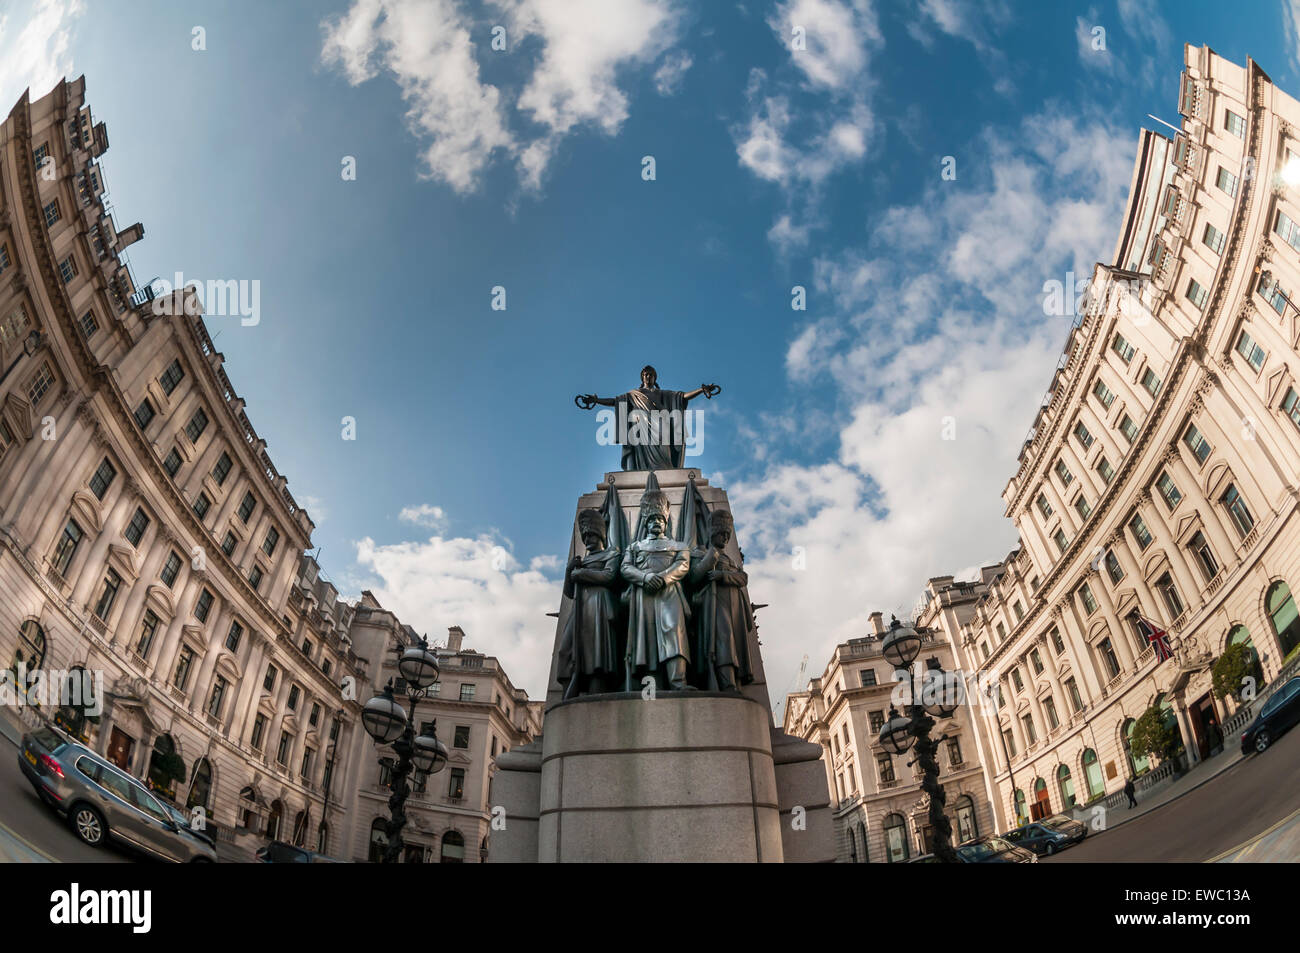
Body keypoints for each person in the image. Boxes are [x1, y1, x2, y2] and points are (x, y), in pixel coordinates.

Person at [621, 487, 692, 690]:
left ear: (666, 522)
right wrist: (645, 577)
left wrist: (662, 578)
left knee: (674, 635)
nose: (656, 523)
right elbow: (625, 567)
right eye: (652, 519)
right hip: (644, 596)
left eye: (660, 519)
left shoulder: (679, 545)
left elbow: (683, 565)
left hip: (670, 594)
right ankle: (653, 686)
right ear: (645, 522)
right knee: (648, 641)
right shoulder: (634, 547)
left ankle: (678, 682)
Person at [556, 509, 621, 698]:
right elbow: (569, 592)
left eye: (591, 535)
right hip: (580, 608)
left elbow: (609, 576)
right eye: (584, 536)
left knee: (596, 653)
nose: (587, 539)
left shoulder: (611, 554)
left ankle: (595, 690)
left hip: (599, 606)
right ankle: (567, 692)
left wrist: (582, 574)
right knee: (565, 650)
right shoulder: (581, 562)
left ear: (600, 534)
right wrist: (569, 571)